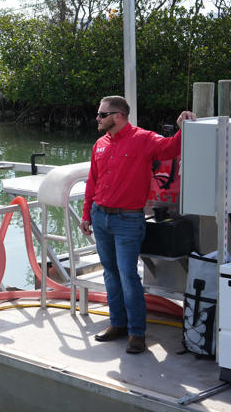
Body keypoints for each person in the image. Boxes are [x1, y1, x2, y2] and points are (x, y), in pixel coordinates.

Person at [79, 95, 196, 354]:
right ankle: (118, 324)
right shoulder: (100, 144)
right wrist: (86, 215)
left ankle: (136, 333)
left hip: (128, 220)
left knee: (128, 275)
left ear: (118, 116)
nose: (97, 118)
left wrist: (182, 127)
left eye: (102, 114)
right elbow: (92, 182)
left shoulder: (143, 139)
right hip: (100, 217)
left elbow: (171, 149)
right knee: (110, 273)